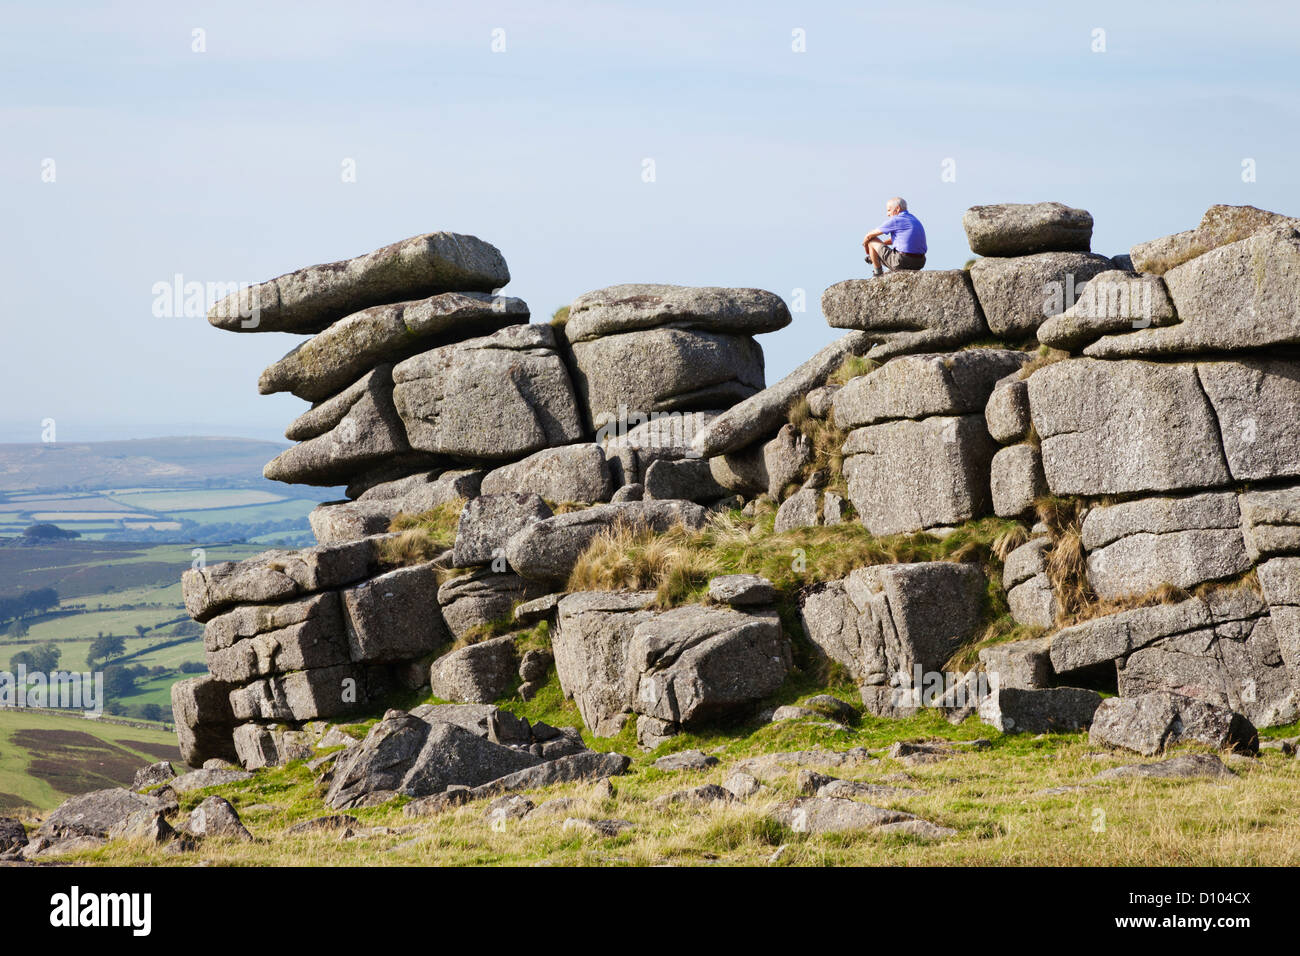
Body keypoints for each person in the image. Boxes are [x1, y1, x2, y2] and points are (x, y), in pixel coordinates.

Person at [862, 197, 927, 277]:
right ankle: (875, 257)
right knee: (877, 248)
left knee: (872, 240)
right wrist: (880, 246)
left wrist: (866, 247)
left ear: (897, 209)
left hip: (902, 261)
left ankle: (878, 273)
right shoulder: (913, 219)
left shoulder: (896, 220)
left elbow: (869, 236)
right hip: (920, 262)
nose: (888, 214)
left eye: (889, 210)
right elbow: (902, 240)